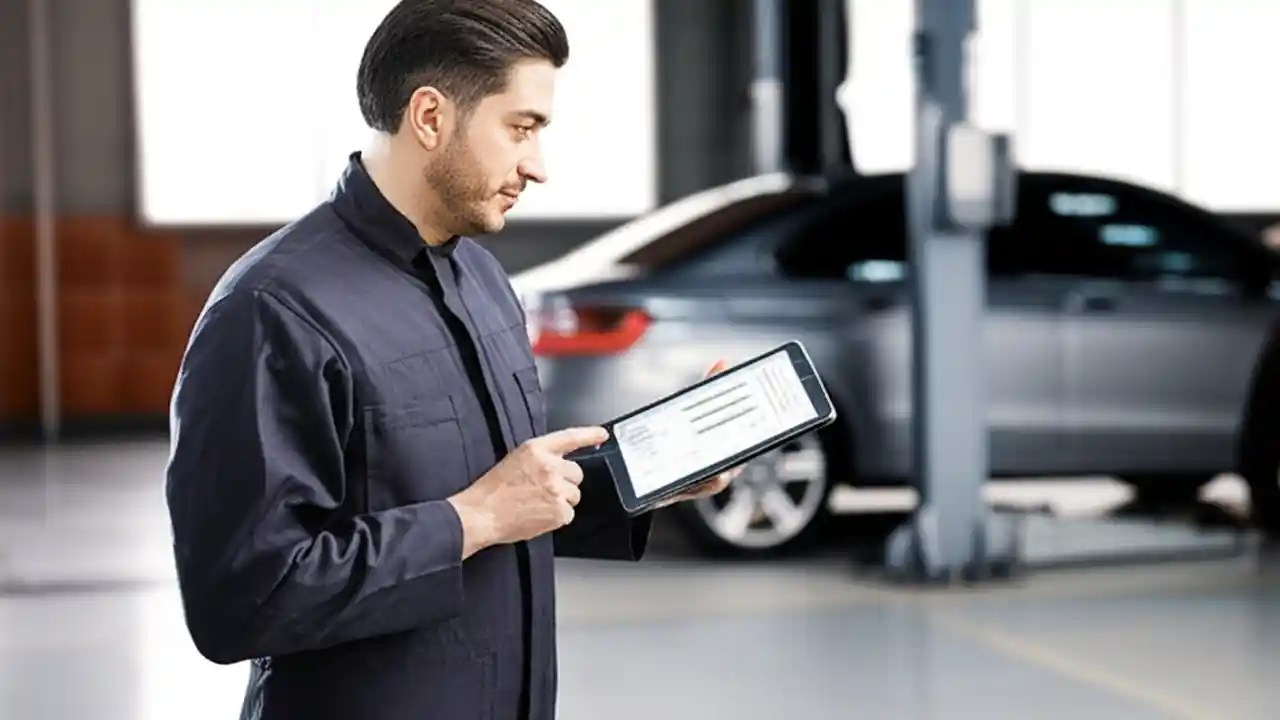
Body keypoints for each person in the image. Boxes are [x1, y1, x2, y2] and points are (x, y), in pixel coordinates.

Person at [164, 2, 737, 718]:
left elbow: (505, 499)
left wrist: (647, 477)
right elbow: (240, 600)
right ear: (430, 116)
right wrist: (471, 520)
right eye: (520, 128)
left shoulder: (484, 281)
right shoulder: (272, 309)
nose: (538, 165)